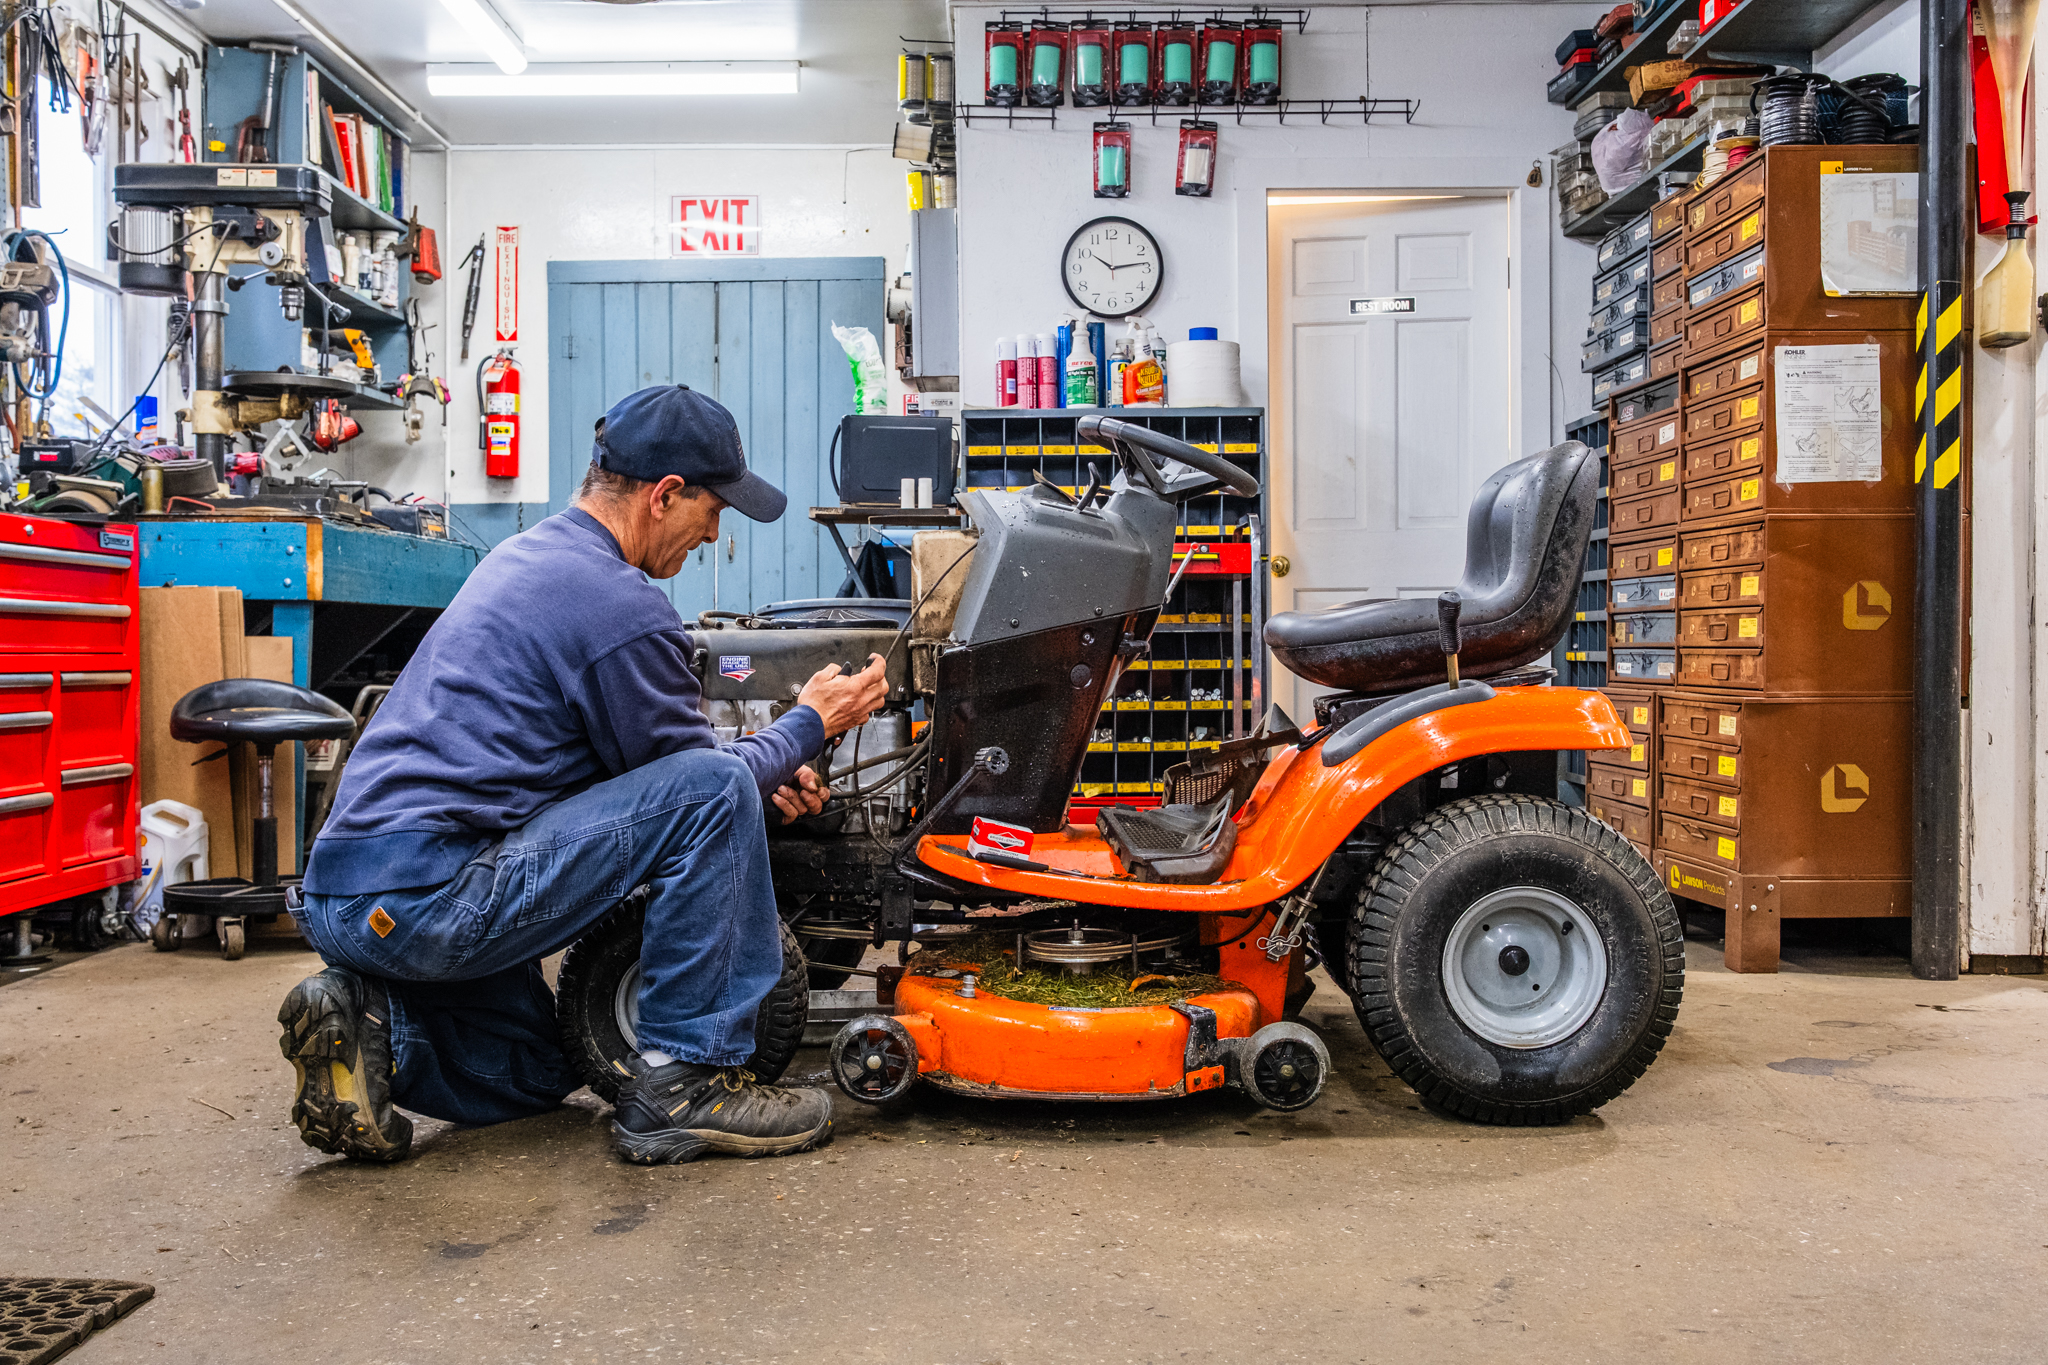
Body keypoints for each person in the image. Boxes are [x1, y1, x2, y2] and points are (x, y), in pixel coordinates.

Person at [280, 384, 888, 1165]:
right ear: (665, 495)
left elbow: (634, 781)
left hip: (349, 897)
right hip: (428, 892)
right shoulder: (616, 601)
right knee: (716, 790)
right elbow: (698, 784)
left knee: (552, 1062)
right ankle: (685, 1082)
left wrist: (762, 772)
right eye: (714, 511)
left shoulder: (530, 556)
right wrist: (807, 723)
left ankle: (374, 1034)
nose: (711, 535)